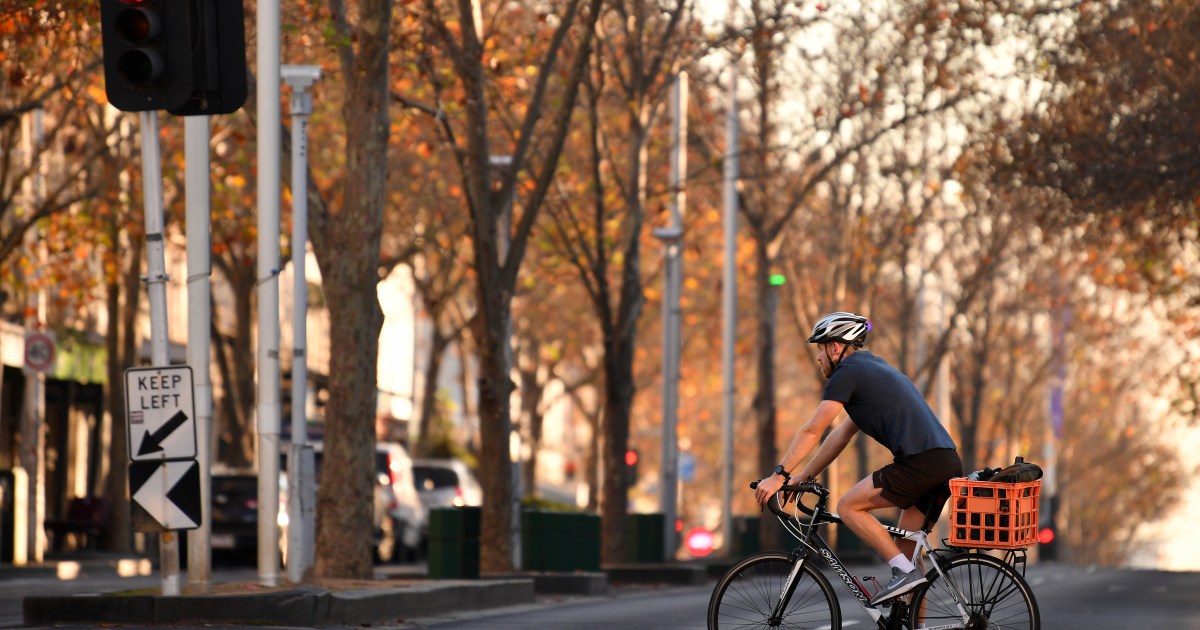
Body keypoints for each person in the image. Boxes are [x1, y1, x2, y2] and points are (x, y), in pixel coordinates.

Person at [754, 311, 962, 604]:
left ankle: (903, 573)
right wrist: (805, 475)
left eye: (820, 348)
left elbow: (813, 429)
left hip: (921, 464)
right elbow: (840, 435)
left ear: (835, 347)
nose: (818, 357)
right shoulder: (872, 370)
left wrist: (779, 475)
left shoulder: (848, 373)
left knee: (849, 506)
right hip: (943, 462)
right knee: (907, 554)